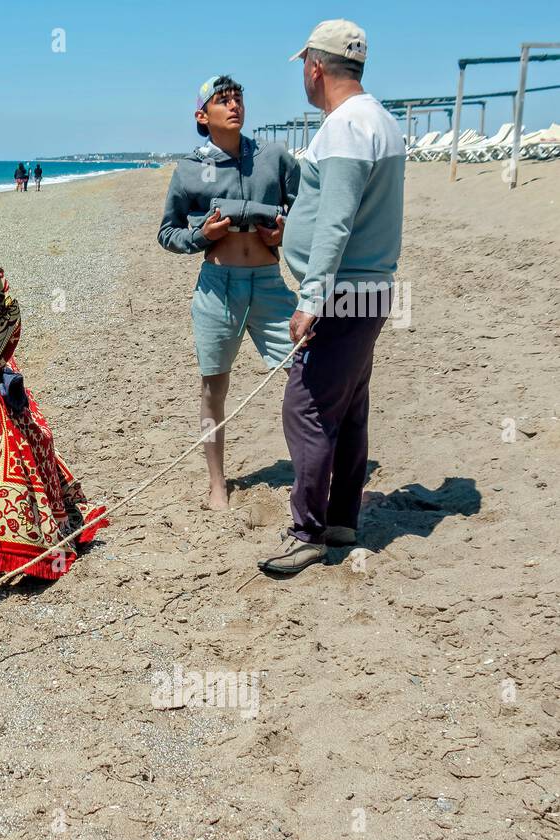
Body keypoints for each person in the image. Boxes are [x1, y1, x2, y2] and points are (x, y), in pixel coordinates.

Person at [258, 20, 405, 575]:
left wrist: (311, 297)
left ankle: (308, 532)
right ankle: (341, 518)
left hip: (342, 293)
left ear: (315, 67)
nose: (303, 74)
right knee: (350, 406)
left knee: (308, 408)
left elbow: (337, 221)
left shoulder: (346, 126)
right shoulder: (382, 121)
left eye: (303, 65)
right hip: (370, 289)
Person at [158, 75, 300, 510]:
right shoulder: (188, 169)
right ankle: (217, 484)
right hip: (217, 287)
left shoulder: (275, 158)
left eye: (238, 97)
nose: (234, 104)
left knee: (306, 371)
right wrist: (203, 235)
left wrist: (282, 235)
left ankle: (312, 471)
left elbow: (307, 214)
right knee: (213, 388)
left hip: (269, 285)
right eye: (222, 100)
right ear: (202, 115)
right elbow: (167, 232)